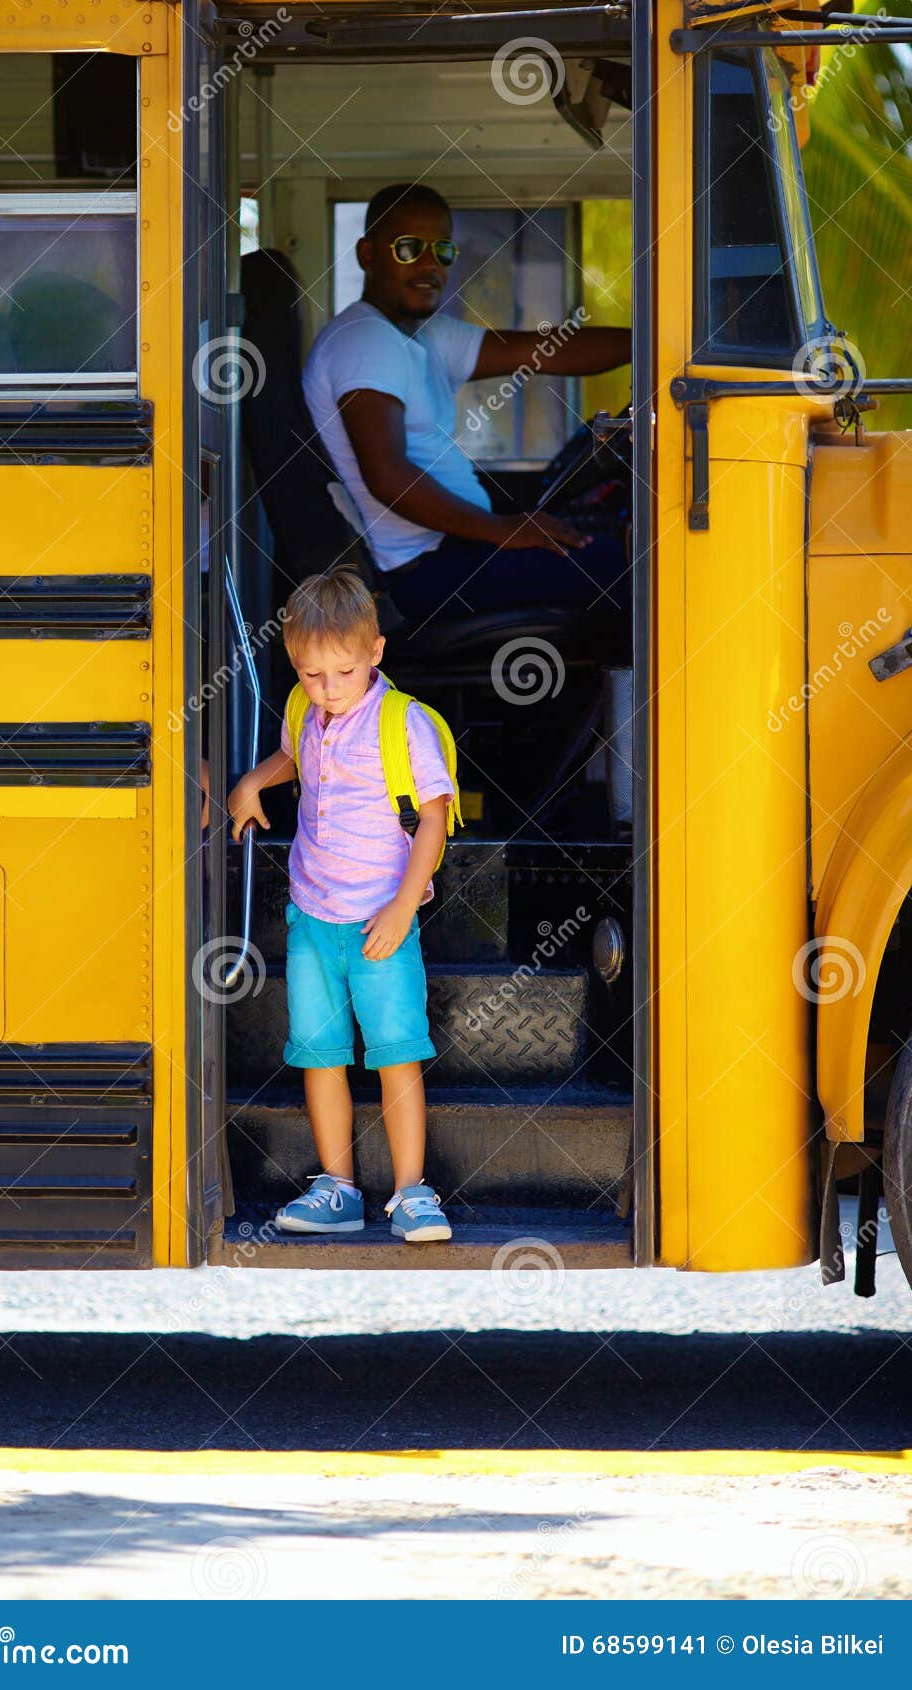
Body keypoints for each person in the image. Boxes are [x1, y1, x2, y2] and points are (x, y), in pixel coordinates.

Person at [227, 567, 456, 1243]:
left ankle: (413, 1191)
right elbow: (293, 756)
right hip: (311, 918)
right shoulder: (306, 710)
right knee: (319, 1054)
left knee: (395, 1054)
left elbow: (434, 822)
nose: (327, 689)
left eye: (343, 673)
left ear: (376, 652)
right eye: (309, 673)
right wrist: (253, 782)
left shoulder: (401, 722)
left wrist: (401, 907)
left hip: (381, 918)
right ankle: (338, 1188)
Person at [303, 182, 633, 626]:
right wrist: (502, 529)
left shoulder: (423, 335)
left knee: (615, 552)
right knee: (638, 570)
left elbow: (545, 349)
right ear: (367, 254)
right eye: (408, 249)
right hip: (424, 572)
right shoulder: (365, 341)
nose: (428, 265)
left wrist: (653, 345)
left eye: (442, 251)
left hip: (456, 548)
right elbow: (387, 477)